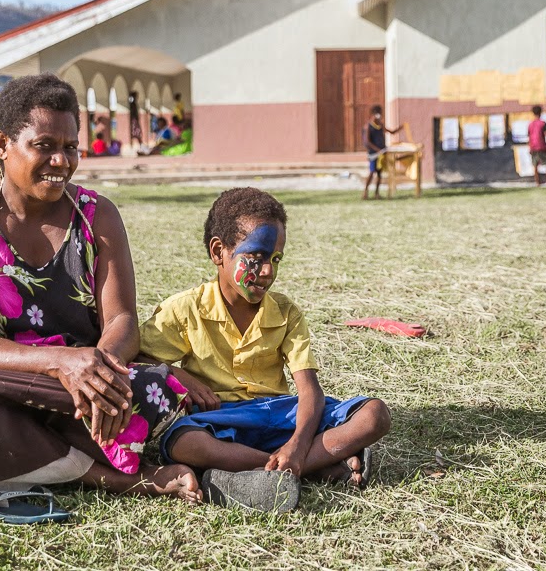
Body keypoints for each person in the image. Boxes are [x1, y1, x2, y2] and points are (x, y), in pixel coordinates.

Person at [0, 74, 200, 523]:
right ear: (3, 144)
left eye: (71, 146)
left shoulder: (97, 215)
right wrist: (64, 364)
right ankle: (116, 475)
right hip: (5, 381)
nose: (61, 160)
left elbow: (121, 318)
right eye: (44, 145)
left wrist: (100, 374)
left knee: (150, 387)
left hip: (101, 382)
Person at [138, 187, 391, 511]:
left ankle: (271, 470)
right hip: (218, 421)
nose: (269, 271)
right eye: (256, 258)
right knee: (182, 442)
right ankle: (310, 465)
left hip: (279, 415)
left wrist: (298, 446)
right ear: (219, 251)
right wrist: (178, 374)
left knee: (374, 415)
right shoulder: (186, 309)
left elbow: (309, 391)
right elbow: (136, 358)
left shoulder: (285, 312)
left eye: (276, 259)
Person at [362, 105, 401, 200]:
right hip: (373, 154)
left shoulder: (380, 125)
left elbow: (391, 132)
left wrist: (401, 128)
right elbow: (367, 142)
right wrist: (377, 150)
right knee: (372, 172)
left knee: (379, 173)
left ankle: (376, 193)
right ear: (373, 115)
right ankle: (365, 192)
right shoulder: (368, 126)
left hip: (382, 153)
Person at [527, 105, 546, 188]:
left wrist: (530, 147)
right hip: (542, 146)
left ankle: (537, 182)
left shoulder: (530, 124)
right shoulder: (543, 123)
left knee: (535, 166)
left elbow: (529, 137)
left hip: (533, 147)